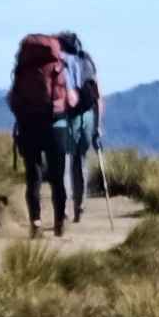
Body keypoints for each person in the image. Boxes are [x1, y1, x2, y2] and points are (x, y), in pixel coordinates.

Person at [8, 30, 78, 235]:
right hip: (56, 124)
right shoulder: (60, 65)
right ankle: (58, 222)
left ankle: (36, 222)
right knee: (57, 176)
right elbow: (71, 99)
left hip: (29, 124)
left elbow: (13, 99)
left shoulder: (22, 68)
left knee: (33, 175)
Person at [57, 30, 104, 214]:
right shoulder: (86, 61)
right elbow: (97, 95)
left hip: (66, 116)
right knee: (80, 161)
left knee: (66, 162)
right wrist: (98, 126)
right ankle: (80, 203)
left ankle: (64, 208)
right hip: (88, 116)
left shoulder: (59, 62)